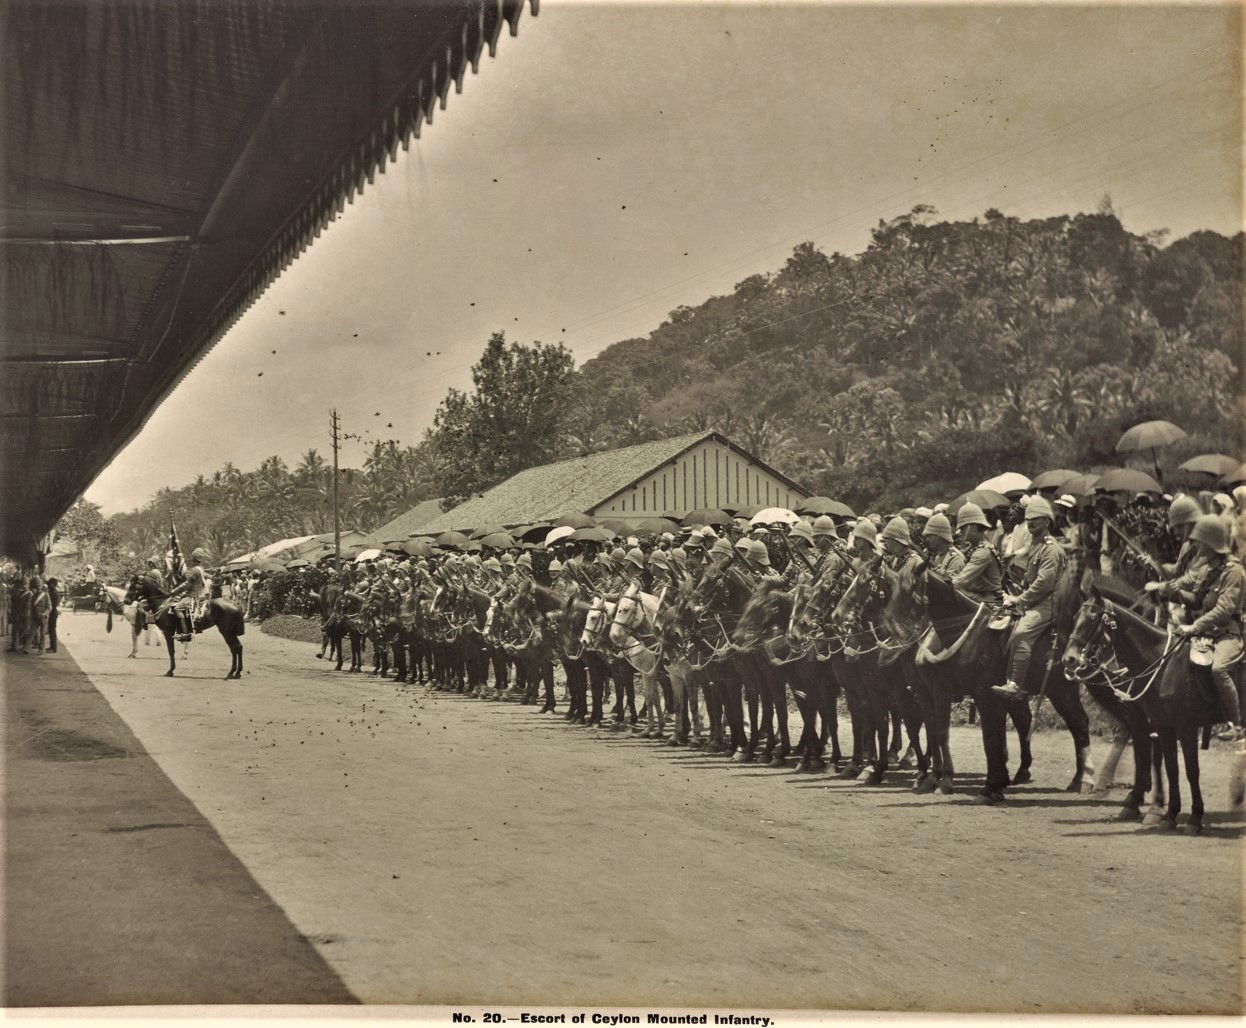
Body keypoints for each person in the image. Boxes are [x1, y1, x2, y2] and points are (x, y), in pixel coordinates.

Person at [1148, 515, 1245, 740]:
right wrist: (1173, 591)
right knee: (1171, 658)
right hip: (1204, 631)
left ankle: (1237, 724)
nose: (1196, 546)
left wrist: (1193, 627)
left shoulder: (1234, 572)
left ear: (1211, 543)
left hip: (1227, 634)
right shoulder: (1208, 568)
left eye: (1200, 541)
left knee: (1218, 668)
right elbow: (1195, 598)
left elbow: (1223, 610)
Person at [991, 495, 1067, 701]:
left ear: (1047, 522)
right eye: (1029, 519)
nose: (1031, 522)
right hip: (1034, 600)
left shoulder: (1050, 549)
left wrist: (1019, 599)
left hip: (1049, 603)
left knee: (1022, 632)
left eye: (1037, 518)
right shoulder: (1036, 547)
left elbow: (1044, 583)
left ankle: (1015, 684)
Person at [951, 502, 1003, 605]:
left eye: (962, 528)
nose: (959, 532)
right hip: (980, 599)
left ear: (973, 527)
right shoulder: (978, 548)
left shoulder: (982, 552)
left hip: (988, 602)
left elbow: (961, 582)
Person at [166, 547, 209, 640]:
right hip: (197, 593)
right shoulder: (200, 569)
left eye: (192, 557)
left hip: (192, 595)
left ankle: (185, 632)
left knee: (177, 608)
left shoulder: (195, 570)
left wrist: (174, 591)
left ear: (194, 558)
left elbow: (187, 584)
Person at [45, 577, 60, 653]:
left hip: (53, 613)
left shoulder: (54, 593)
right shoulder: (53, 592)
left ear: (52, 585)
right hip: (53, 612)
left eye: (49, 584)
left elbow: (52, 605)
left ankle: (54, 648)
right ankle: (52, 646)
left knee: (52, 630)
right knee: (51, 630)